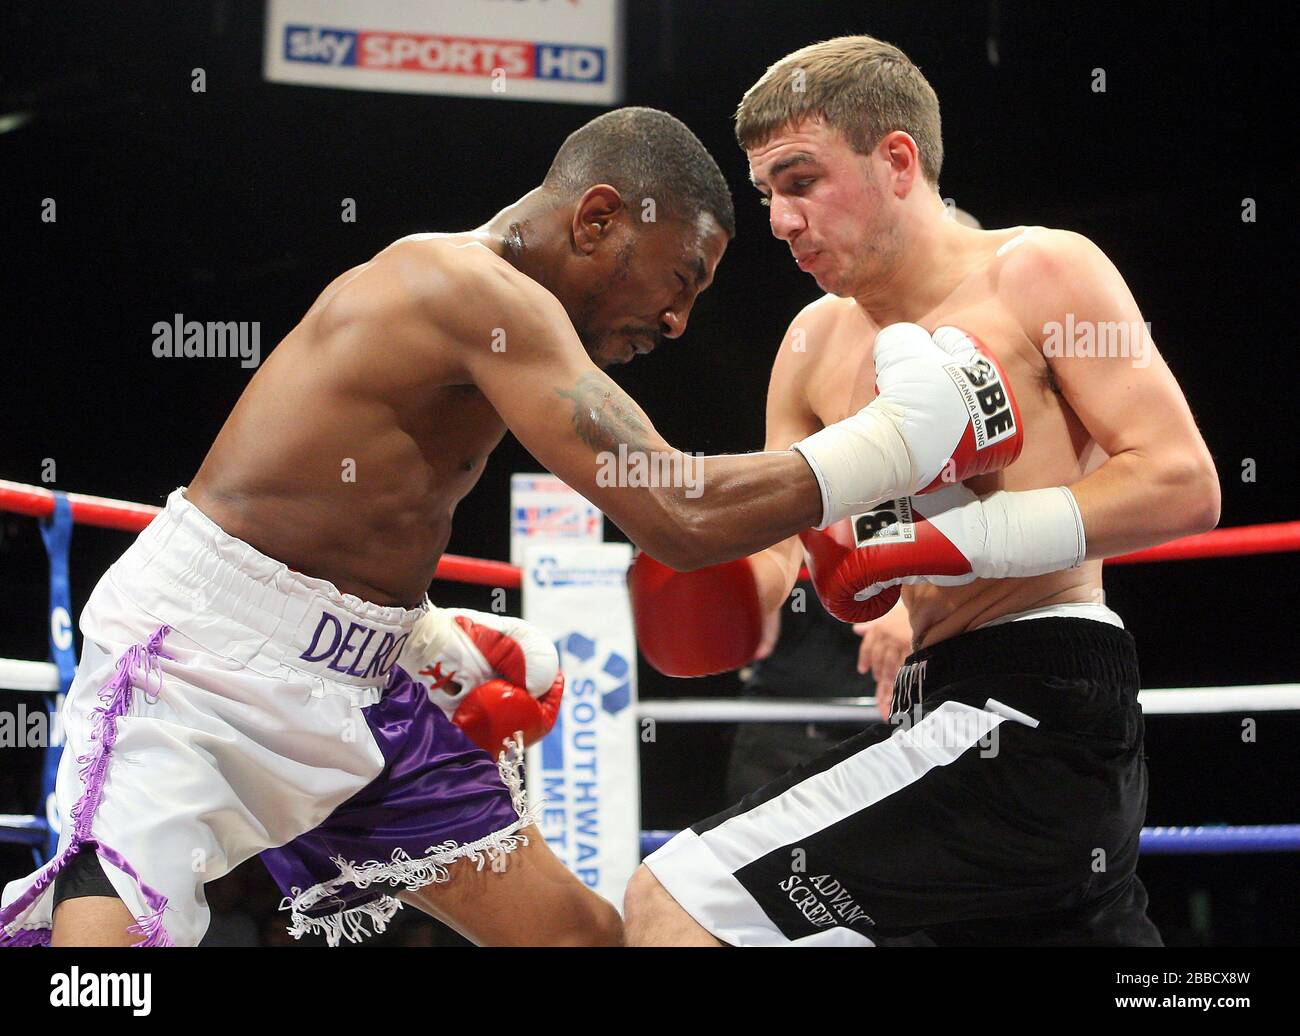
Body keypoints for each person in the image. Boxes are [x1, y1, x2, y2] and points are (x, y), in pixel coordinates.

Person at [0, 106, 1003, 948]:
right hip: (199, 661)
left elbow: (356, 507)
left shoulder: (501, 316)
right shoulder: (469, 292)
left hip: (358, 685)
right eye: (682, 280)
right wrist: (899, 444)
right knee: (114, 953)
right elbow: (678, 511)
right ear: (600, 217)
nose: (678, 320)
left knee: (580, 938)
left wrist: (420, 631)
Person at [625, 37, 1220, 946]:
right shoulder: (811, 345)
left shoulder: (1040, 272)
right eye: (768, 195)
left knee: (673, 898)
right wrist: (705, 588)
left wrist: (963, 543)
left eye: (801, 180)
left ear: (897, 160)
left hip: (1036, 700)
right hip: (934, 708)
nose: (781, 220)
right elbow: (782, 548)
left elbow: (1183, 483)